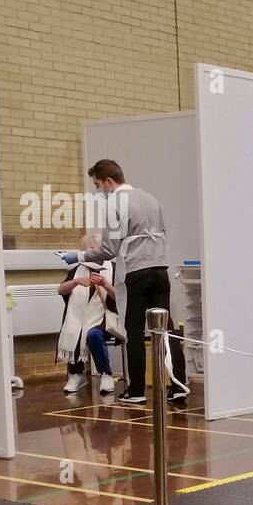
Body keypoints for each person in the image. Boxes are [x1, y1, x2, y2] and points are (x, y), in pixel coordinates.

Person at [67, 160, 185, 405]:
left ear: (109, 181)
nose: (100, 192)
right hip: (160, 270)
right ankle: (179, 385)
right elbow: (164, 232)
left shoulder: (114, 204)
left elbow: (109, 250)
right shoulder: (152, 199)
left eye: (99, 186)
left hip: (137, 272)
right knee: (165, 329)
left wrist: (79, 256)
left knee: (134, 331)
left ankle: (137, 390)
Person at [57, 233, 123, 395]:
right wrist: (75, 282)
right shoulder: (76, 271)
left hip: (106, 320)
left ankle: (106, 374)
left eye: (96, 249)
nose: (92, 253)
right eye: (89, 249)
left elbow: (121, 299)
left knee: (93, 334)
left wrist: (105, 284)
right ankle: (76, 374)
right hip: (80, 318)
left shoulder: (114, 269)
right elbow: (60, 290)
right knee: (73, 329)